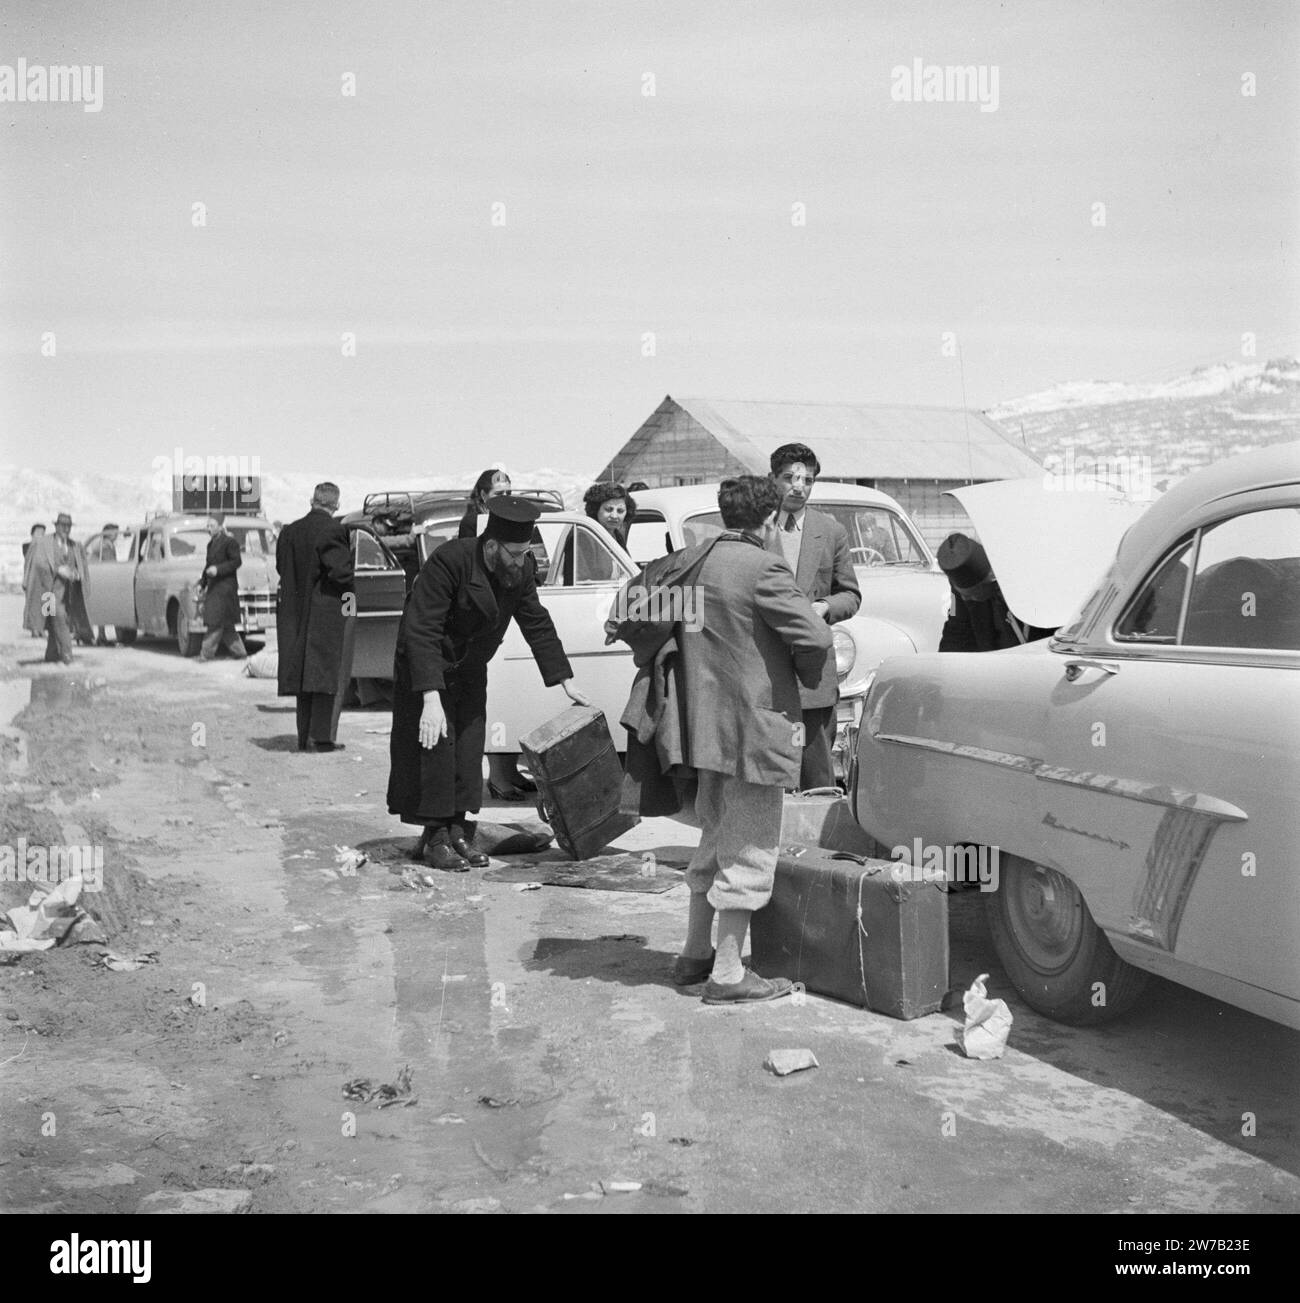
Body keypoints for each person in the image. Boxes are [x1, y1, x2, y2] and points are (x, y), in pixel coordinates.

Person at [666, 476, 831, 1004]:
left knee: (713, 836)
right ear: (767, 520)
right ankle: (731, 974)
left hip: (703, 729)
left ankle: (694, 956)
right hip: (755, 729)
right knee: (752, 846)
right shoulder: (764, 566)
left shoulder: (696, 561)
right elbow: (815, 636)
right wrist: (798, 675)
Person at [388, 495, 589, 872]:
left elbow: (536, 622)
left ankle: (459, 831)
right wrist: (431, 699)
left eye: (525, 552)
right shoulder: (451, 560)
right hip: (428, 666)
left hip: (469, 668)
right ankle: (435, 837)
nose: (520, 560)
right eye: (513, 553)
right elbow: (422, 628)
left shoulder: (521, 568)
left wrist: (564, 679)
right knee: (436, 747)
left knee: (467, 747)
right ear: (491, 545)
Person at [767, 442, 861, 789]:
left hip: (813, 674)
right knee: (770, 770)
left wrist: (824, 607)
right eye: (790, 477)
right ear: (772, 480)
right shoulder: (756, 530)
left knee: (815, 769)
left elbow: (850, 594)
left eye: (807, 480)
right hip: (766, 670)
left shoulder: (831, 530)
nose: (799, 486)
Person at [276, 483, 355, 751]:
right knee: (323, 676)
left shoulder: (289, 531)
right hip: (324, 613)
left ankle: (303, 737)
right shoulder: (333, 530)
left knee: (303, 679)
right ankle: (320, 738)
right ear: (336, 505)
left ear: (312, 500)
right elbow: (341, 573)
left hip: (294, 612)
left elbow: (280, 566)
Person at [936, 533, 1055, 652]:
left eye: (971, 594)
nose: (964, 598)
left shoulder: (1031, 588)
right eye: (961, 592)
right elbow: (955, 632)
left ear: (992, 581)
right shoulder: (959, 591)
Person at [22, 513, 87, 664]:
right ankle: (67, 657)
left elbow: (80, 566)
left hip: (67, 595)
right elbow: (38, 564)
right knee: (60, 619)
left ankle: (51, 656)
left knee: (54, 624)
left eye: (68, 526)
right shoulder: (44, 544)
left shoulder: (73, 545)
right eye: (63, 525)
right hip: (47, 594)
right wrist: (58, 569)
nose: (66, 529)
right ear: (56, 526)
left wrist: (76, 574)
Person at [198, 515, 246, 661]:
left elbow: (236, 561)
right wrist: (202, 583)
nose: (208, 528)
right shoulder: (211, 544)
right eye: (208, 526)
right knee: (226, 625)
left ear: (220, 526)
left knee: (215, 621)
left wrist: (218, 570)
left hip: (225, 589)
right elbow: (208, 566)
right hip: (214, 588)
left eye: (211, 525)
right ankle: (240, 653)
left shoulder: (229, 542)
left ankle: (206, 654)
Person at [457, 467, 511, 539]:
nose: (505, 497)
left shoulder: (519, 519)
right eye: (499, 493)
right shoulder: (471, 524)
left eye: (508, 493)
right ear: (483, 495)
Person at [89, 524, 120, 645]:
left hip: (100, 577)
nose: (116, 535)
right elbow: (110, 562)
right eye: (114, 532)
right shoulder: (105, 546)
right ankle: (101, 636)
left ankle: (101, 635)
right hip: (104, 578)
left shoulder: (101, 544)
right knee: (104, 607)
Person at [582, 482, 637, 551]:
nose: (614, 516)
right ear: (595, 509)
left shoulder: (617, 536)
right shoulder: (585, 537)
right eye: (608, 509)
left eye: (620, 511)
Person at [21, 524, 46, 636]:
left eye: (42, 533)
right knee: (32, 605)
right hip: (31, 578)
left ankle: (41, 629)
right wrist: (25, 580)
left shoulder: (44, 546)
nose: (40, 535)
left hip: (42, 579)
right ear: (32, 534)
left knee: (43, 604)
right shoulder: (28, 546)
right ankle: (33, 629)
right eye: (38, 532)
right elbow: (28, 563)